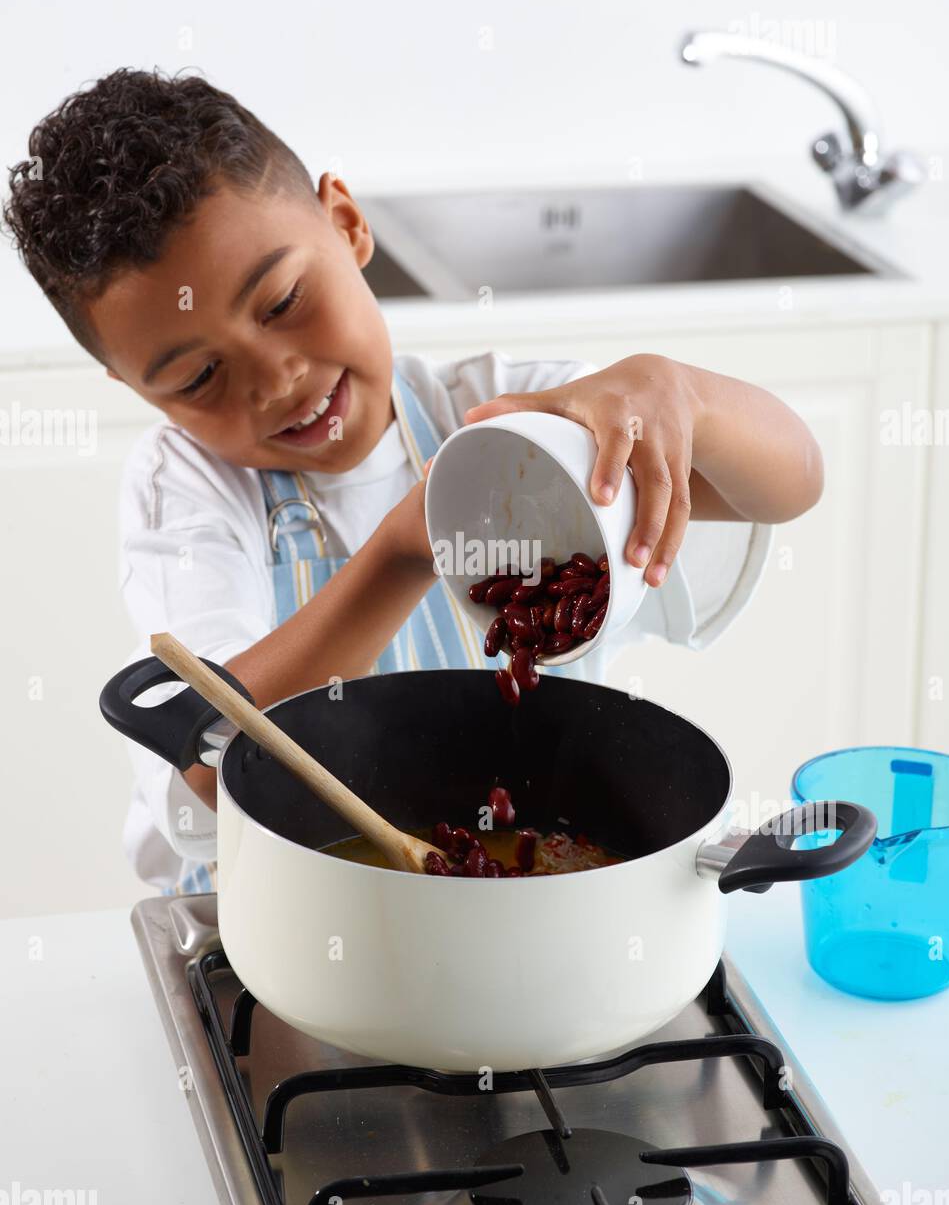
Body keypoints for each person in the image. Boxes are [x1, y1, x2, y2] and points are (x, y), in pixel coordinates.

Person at [2, 68, 823, 895]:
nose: (276, 379)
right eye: (198, 376)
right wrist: (401, 552)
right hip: (274, 927)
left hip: (533, 897)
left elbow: (789, 483)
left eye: (283, 300)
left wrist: (677, 392)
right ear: (136, 389)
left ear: (348, 224)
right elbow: (217, 767)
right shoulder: (185, 491)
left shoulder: (502, 417)